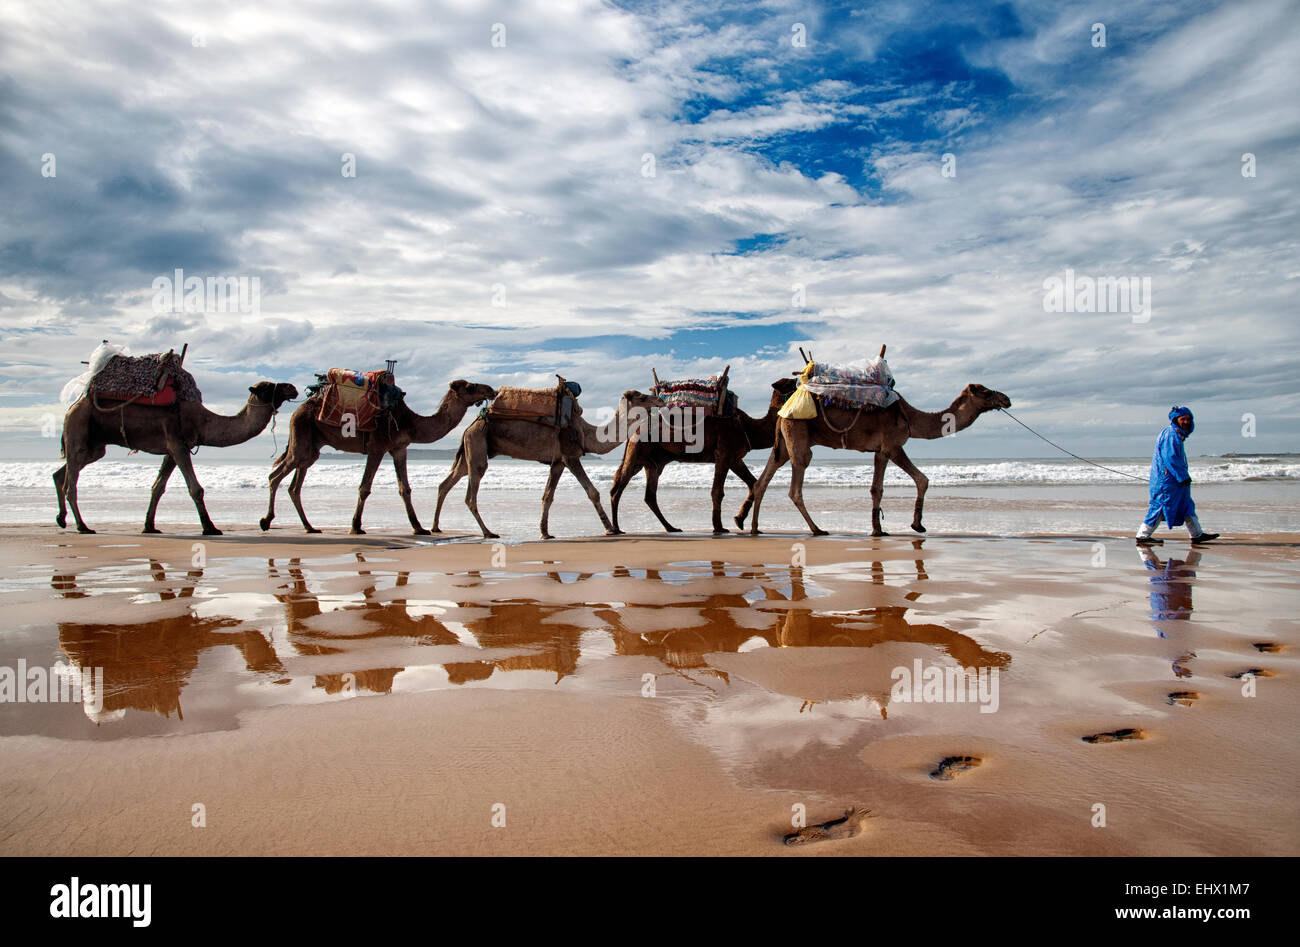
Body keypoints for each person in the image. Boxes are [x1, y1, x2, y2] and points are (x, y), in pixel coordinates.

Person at [1135, 406, 1219, 546]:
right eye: (1183, 419)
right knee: (1160, 507)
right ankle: (1143, 536)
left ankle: (1197, 534)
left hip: (1175, 480)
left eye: (1188, 419)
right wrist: (1182, 476)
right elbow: (1171, 458)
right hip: (1167, 481)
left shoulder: (1176, 435)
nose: (1186, 422)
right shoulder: (1171, 435)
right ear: (1176, 420)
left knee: (1186, 506)